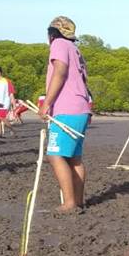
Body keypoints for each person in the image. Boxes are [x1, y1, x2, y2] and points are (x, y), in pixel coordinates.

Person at [38, 16, 92, 212]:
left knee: (55, 155)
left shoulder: (59, 44)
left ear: (52, 33)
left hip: (67, 108)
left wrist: (47, 103)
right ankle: (77, 201)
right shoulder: (75, 49)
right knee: (74, 158)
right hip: (80, 107)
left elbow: (60, 71)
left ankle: (69, 203)